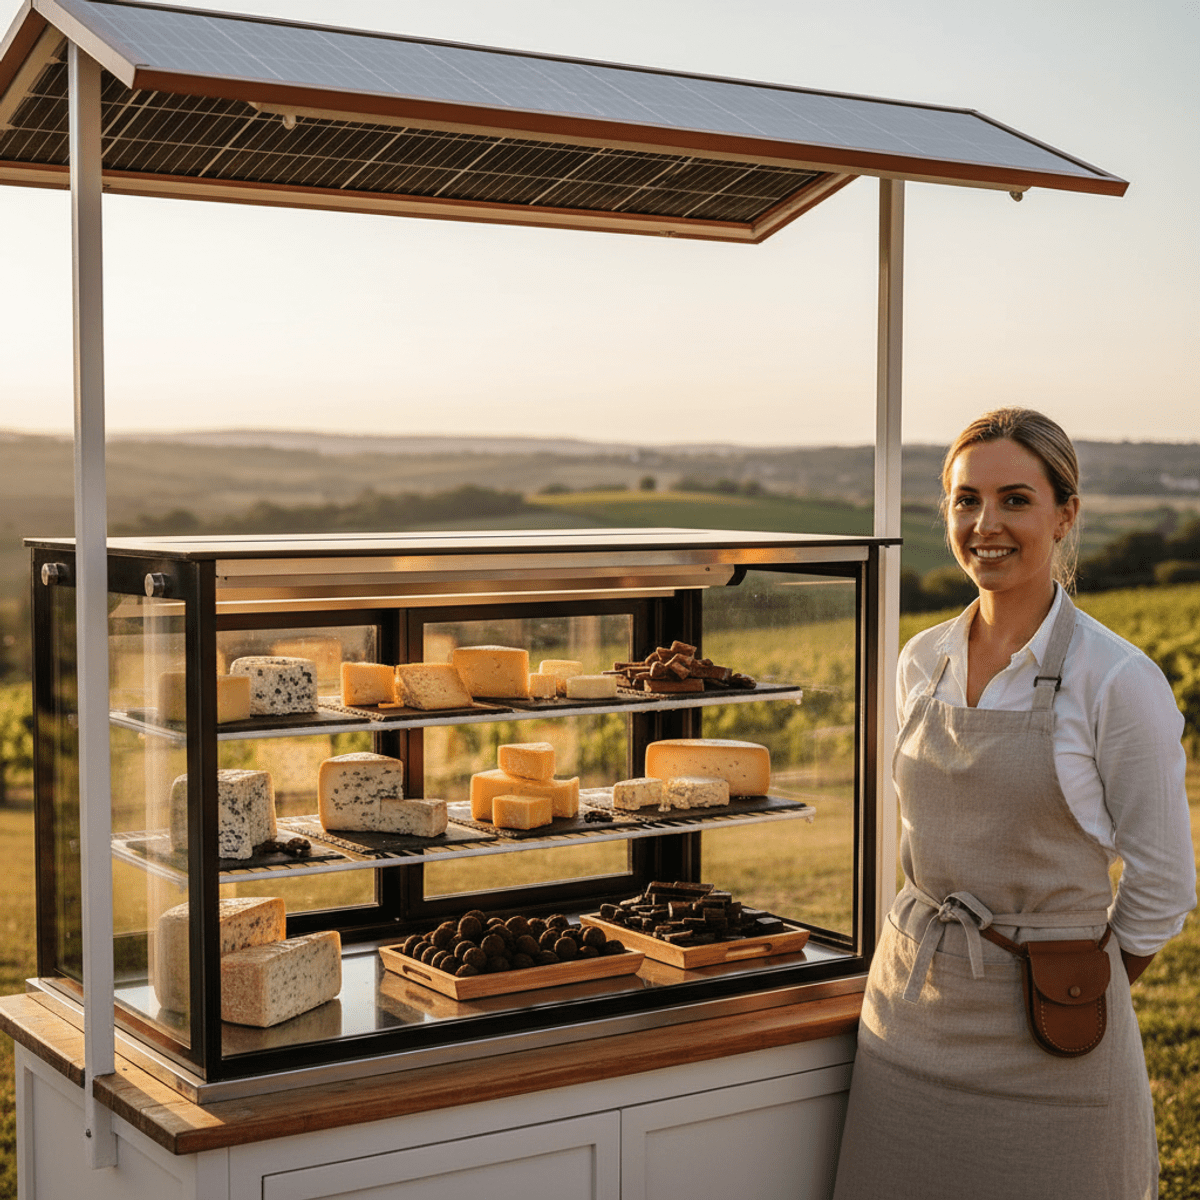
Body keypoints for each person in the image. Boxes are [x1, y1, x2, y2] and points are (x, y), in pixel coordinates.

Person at [832, 408, 1196, 1200]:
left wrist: (1072, 986)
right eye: (966, 500)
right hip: (908, 1023)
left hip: (1052, 1042)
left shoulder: (1117, 680)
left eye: (1015, 500)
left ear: (1066, 514)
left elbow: (1163, 888)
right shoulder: (920, 661)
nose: (984, 524)